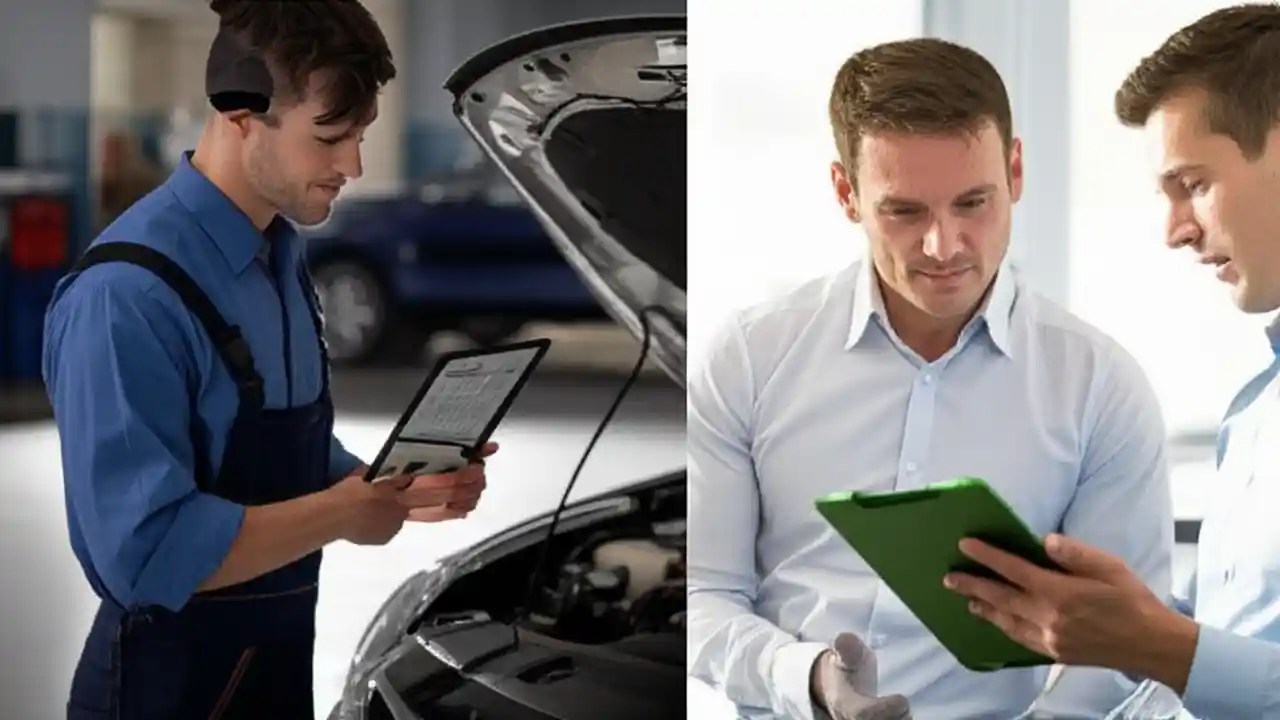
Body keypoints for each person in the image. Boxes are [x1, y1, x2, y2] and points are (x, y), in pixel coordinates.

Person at [686, 37, 1176, 720]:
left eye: (973, 203)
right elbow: (703, 598)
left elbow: (1130, 646)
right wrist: (812, 679)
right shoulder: (748, 357)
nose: (943, 246)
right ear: (845, 193)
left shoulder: (1099, 386)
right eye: (905, 211)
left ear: (1017, 171)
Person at [44, 2, 491, 718]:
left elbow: (285, 454)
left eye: (362, 135)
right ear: (239, 114)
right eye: (330, 137)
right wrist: (342, 512)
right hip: (158, 696)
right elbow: (148, 551)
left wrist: (384, 485)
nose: (353, 165)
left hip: (273, 679)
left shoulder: (279, 258)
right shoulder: (125, 296)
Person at [945, 5, 1280, 719]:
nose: (1175, 231)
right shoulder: (1257, 410)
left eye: (1192, 184)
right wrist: (1119, 625)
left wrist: (1162, 644)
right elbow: (1231, 642)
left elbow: (1194, 657)